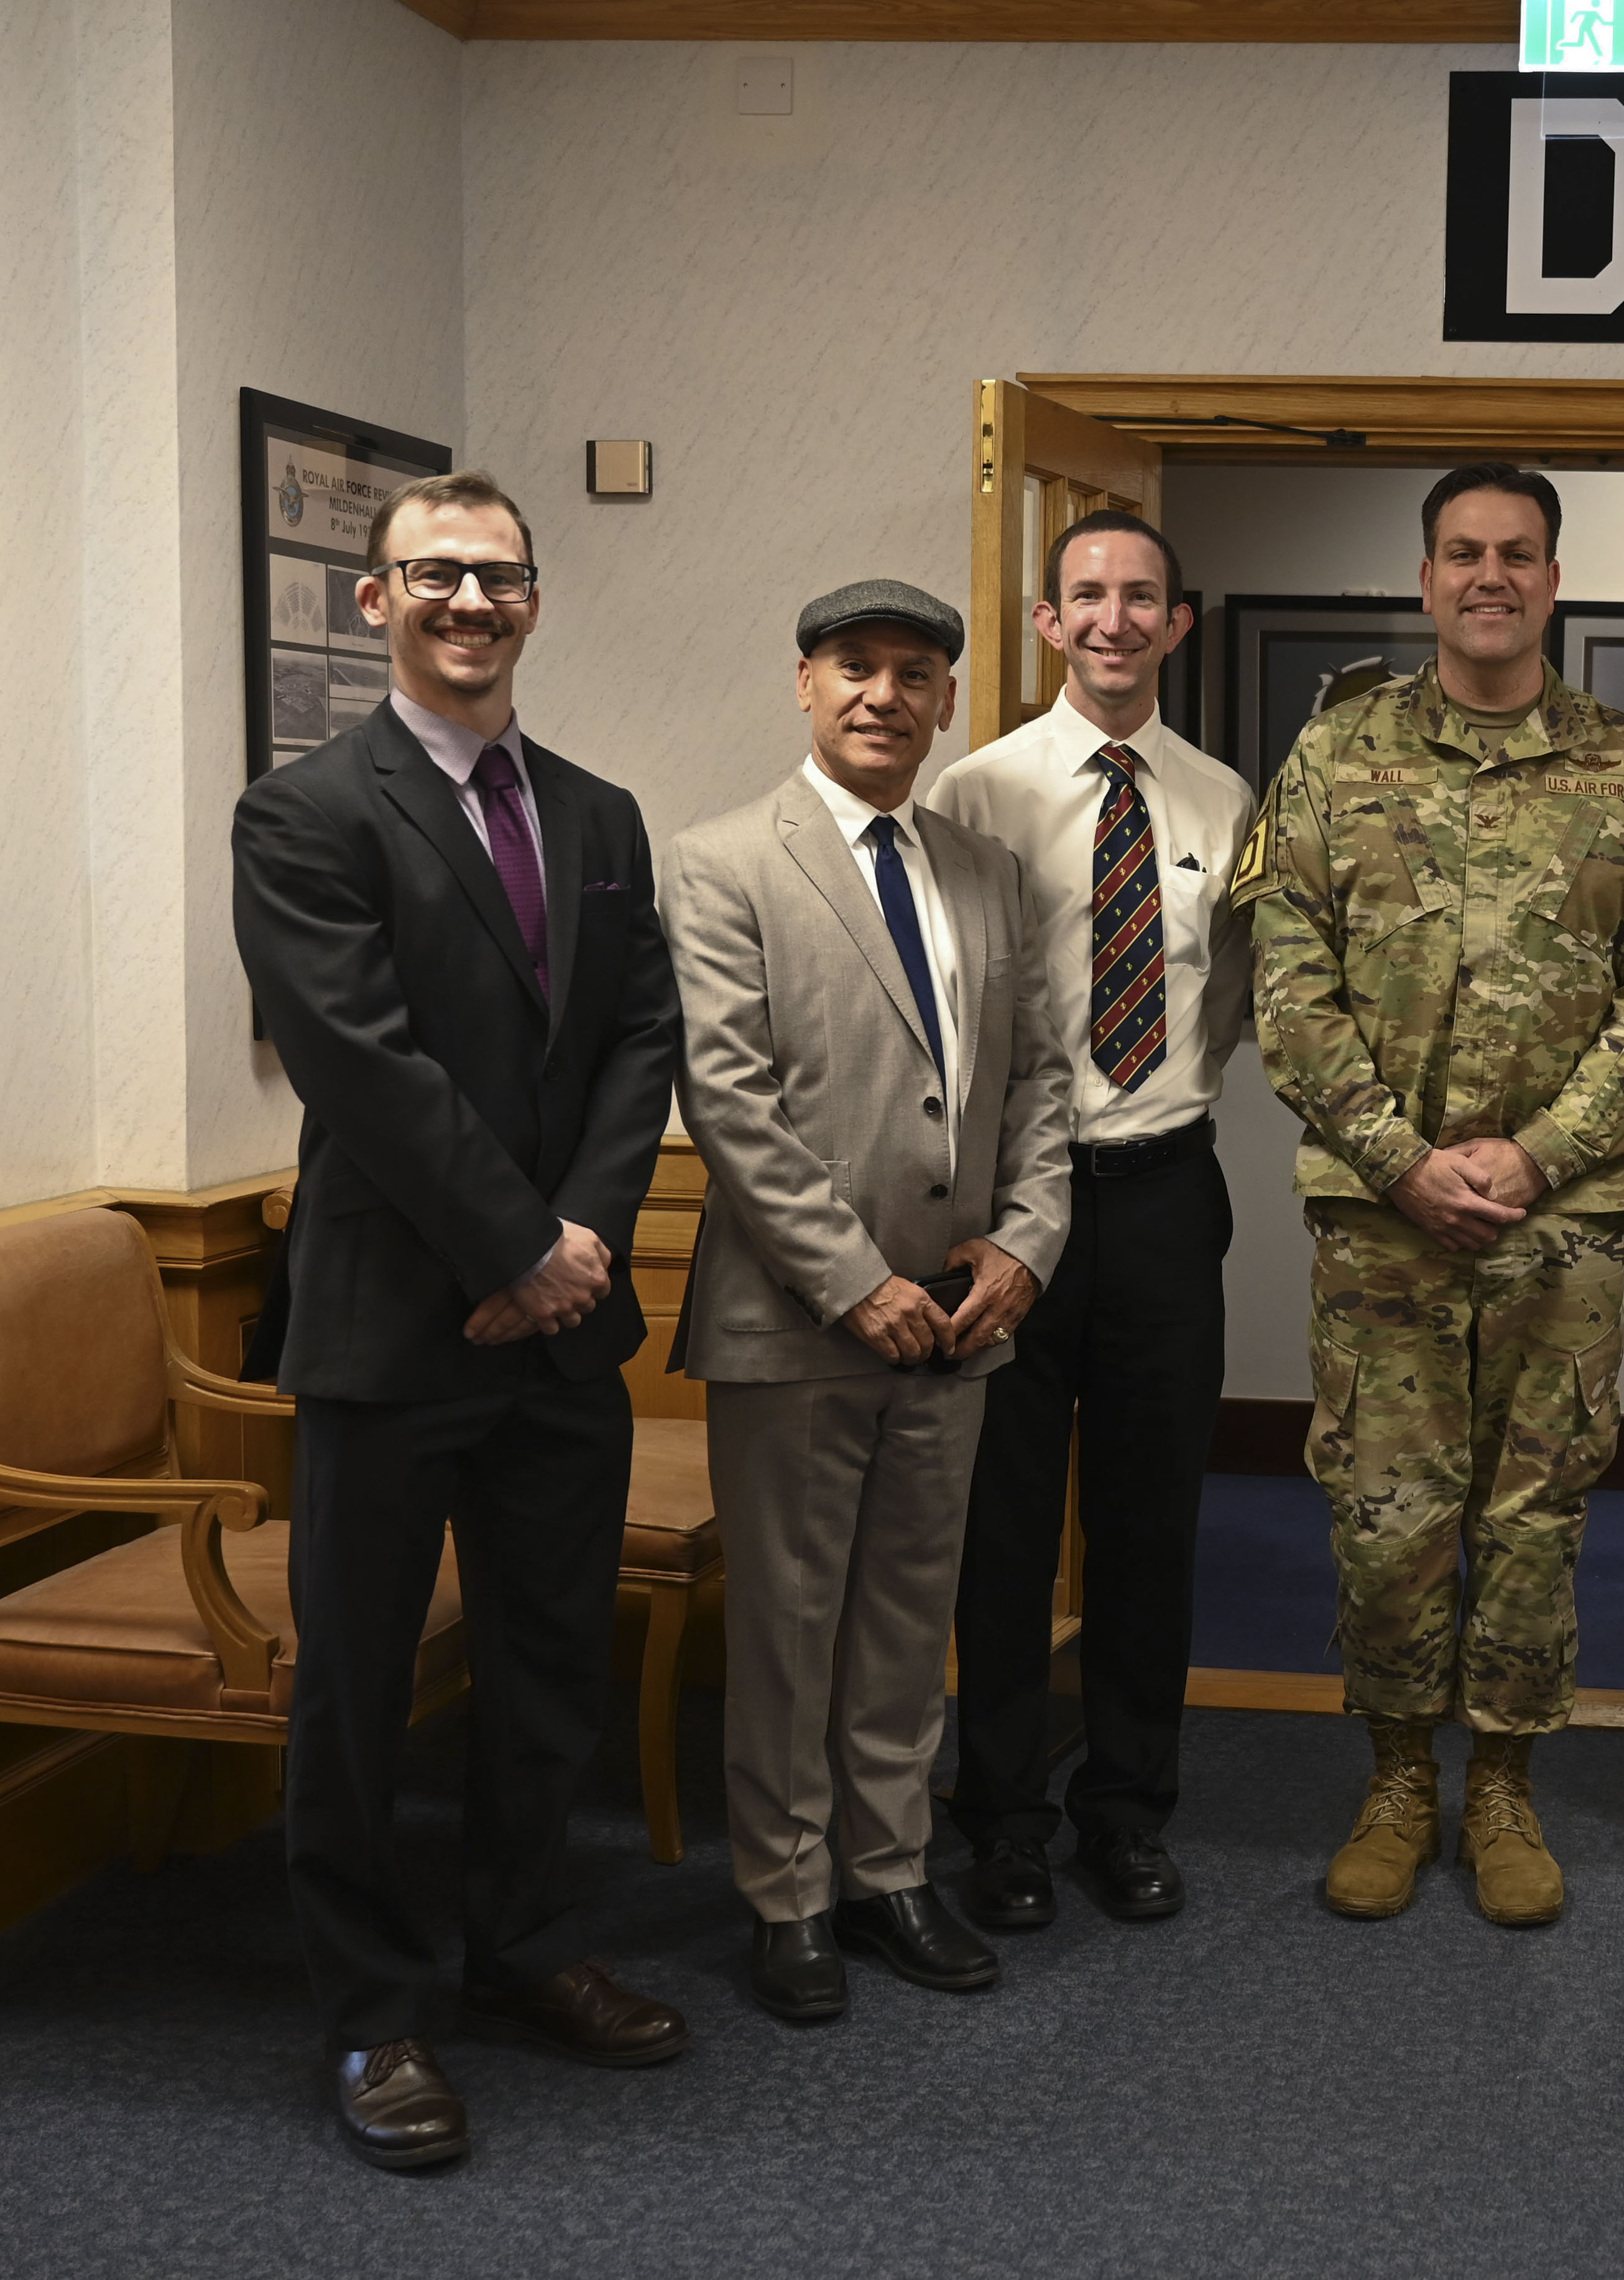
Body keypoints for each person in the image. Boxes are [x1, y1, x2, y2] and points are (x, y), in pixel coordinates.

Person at [231, 469, 685, 2169]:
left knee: (550, 1657)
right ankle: (369, 2013)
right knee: (353, 1687)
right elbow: (363, 1062)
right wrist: (519, 1241)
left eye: (497, 576)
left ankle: (522, 1944)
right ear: (376, 602)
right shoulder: (301, 814)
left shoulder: (598, 813)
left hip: (559, 1330)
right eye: (435, 575)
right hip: (389, 1325)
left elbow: (642, 1040)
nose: (469, 603)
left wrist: (586, 1241)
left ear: (536, 599)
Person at [1240, 461, 1624, 1929]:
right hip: (1380, 1215)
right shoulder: (1334, 753)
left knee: (1535, 1503)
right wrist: (1400, 1156)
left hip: (1558, 1221)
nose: (1489, 576)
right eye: (1463, 553)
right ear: (1428, 576)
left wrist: (1538, 1154)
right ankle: (1396, 1774)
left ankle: (1501, 1778)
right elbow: (1289, 977)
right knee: (1387, 1509)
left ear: (1553, 580)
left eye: (1517, 553)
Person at [659, 581, 1073, 2023]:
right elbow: (728, 1099)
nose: (882, 695)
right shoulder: (720, 864)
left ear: (947, 702)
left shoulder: (984, 870)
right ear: (803, 684)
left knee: (907, 1614)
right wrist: (855, 1283)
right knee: (787, 1621)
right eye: (853, 668)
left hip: (964, 1318)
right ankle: (787, 1895)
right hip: (801, 1321)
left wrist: (1024, 1245)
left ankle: (890, 1870)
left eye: (913, 674)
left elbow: (1036, 1083)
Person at [928, 513, 1254, 1931]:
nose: (1113, 619)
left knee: (1146, 1526)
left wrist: (1163, 1103)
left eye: (1141, 598)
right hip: (1010, 1207)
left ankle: (1126, 1810)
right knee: (998, 1531)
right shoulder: (977, 791)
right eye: (1086, 598)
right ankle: (1000, 1817)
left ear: (1177, 623)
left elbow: (1232, 999)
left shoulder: (1223, 799)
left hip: (1165, 1194)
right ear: (1050, 623)